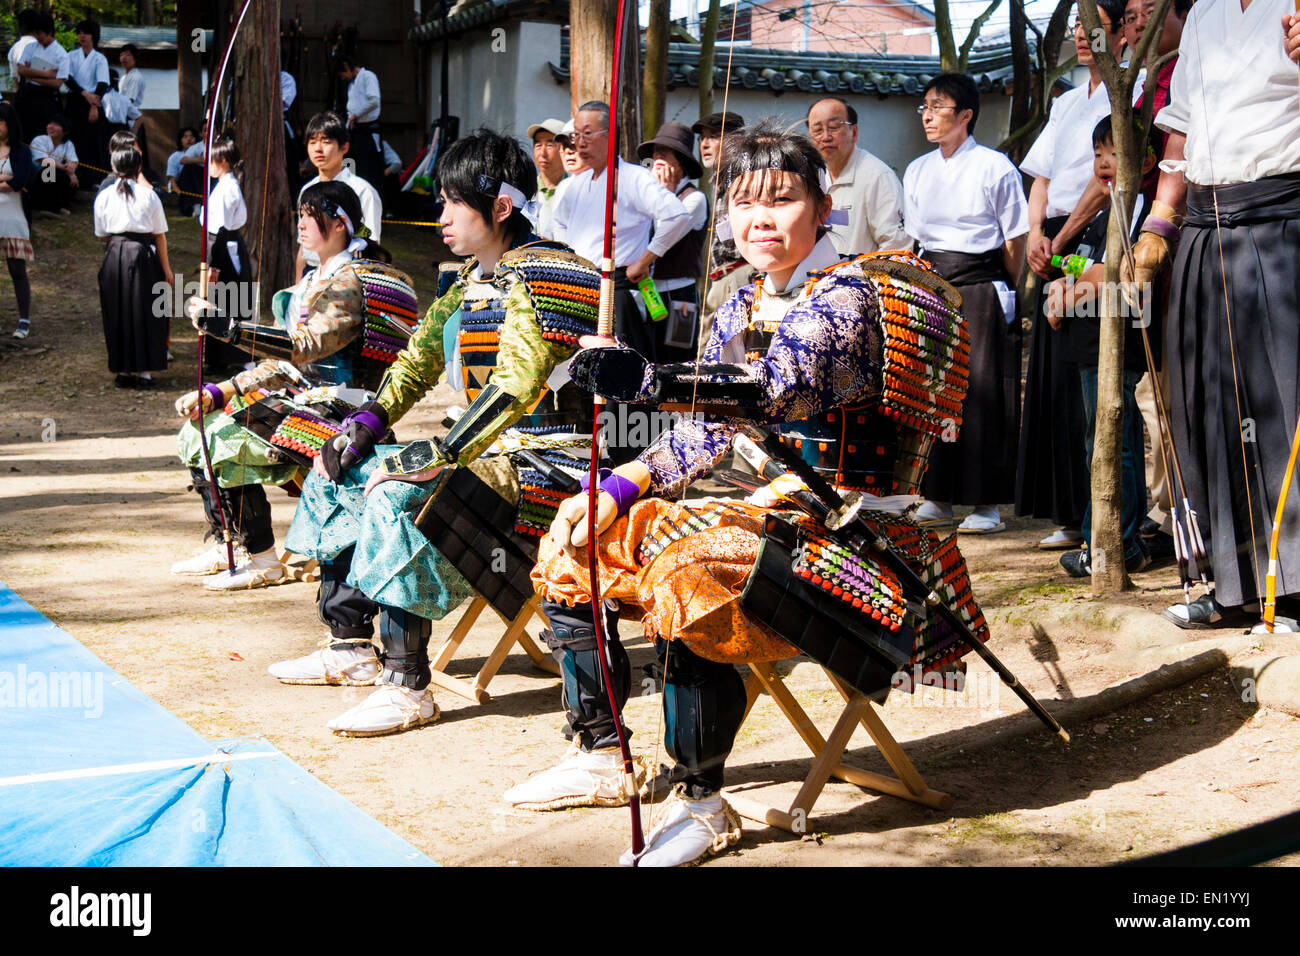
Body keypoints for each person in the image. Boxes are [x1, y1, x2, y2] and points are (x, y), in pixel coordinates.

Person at [514, 122, 983, 867]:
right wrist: (617, 486)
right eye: (743, 203)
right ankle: (606, 753)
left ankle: (703, 803)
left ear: (824, 204)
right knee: (574, 541)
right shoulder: (740, 304)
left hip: (854, 540)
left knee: (684, 569)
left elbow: (770, 392)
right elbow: (706, 435)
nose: (760, 218)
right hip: (758, 517)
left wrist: (643, 379)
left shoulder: (848, 299)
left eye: (783, 199)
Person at [270, 129, 601, 737]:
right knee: (338, 468)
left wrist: (439, 452)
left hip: (552, 462)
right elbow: (416, 360)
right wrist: (366, 425)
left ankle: (407, 683)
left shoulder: (554, 272)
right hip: (486, 454)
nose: (440, 214)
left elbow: (517, 383)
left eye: (453, 201)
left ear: (500, 207)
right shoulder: (473, 277)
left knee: (397, 492)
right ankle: (349, 644)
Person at [1136, 0, 1300, 629]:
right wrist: (1161, 218)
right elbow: (1181, 129)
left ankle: (1290, 586)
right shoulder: (1203, 10)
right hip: (1206, 225)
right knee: (1211, 411)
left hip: (1282, 216)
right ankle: (1230, 586)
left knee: (1282, 409)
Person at [172, 181, 396, 590]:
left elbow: (304, 346)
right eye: (300, 215)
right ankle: (232, 544)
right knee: (199, 426)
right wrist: (220, 391)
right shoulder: (312, 282)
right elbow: (281, 362)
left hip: (344, 414)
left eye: (311, 215)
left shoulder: (350, 282)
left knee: (222, 436)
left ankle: (263, 559)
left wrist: (227, 327)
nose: (302, 224)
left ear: (341, 224)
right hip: (301, 398)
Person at [1017, 0, 1129, 550]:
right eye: (1080, 30)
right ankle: (1064, 510)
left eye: (1097, 29)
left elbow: (1103, 179)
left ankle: (1094, 513)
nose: (1084, 38)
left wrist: (1058, 244)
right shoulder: (1064, 102)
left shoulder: (1123, 90)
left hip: (1093, 231)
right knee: (1054, 379)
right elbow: (1040, 177)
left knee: (1089, 375)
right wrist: (1037, 232)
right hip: (1052, 236)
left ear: (1121, 33)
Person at [906, 74, 1029, 535]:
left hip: (982, 283)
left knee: (982, 392)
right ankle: (936, 494)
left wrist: (1007, 287)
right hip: (933, 282)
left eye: (939, 106)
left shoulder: (995, 167)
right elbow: (914, 239)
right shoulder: (918, 169)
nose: (928, 115)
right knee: (933, 389)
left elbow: (1015, 238)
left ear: (966, 115)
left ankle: (986, 504)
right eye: (925, 106)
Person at [1045, 115, 1157, 577]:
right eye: (1098, 154)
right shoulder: (1107, 208)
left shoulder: (1143, 206)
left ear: (1147, 159)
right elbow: (1080, 265)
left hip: (1119, 339)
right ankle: (1104, 541)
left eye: (1115, 153)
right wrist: (1070, 284)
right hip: (1090, 340)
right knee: (1101, 439)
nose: (1104, 163)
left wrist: (1070, 291)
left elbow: (1119, 273)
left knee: (1118, 441)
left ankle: (1116, 543)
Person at [552, 101, 691, 364]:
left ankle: (626, 409)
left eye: (587, 134)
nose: (579, 142)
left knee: (623, 371)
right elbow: (558, 223)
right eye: (576, 135)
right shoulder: (576, 185)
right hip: (581, 286)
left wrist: (645, 260)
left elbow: (677, 215)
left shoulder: (632, 177)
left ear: (609, 135)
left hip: (618, 287)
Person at [93, 136, 172, 385]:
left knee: (118, 311)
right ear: (139, 168)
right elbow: (159, 234)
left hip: (114, 254)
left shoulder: (104, 196)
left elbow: (101, 235)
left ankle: (122, 370)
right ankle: (145, 372)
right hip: (142, 254)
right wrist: (166, 269)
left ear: (115, 167)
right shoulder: (148, 196)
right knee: (145, 312)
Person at [638, 120, 708, 362]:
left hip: (680, 295)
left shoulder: (694, 199)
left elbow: (663, 235)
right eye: (656, 152)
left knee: (677, 364)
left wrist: (664, 193)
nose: (658, 157)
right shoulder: (647, 193)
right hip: (647, 292)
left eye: (666, 153)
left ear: (681, 162)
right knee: (648, 361)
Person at [806, 96, 909, 255]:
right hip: (817, 277)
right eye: (817, 130)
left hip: (862, 278)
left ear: (854, 132)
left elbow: (896, 246)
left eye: (834, 127)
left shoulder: (878, 177)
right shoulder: (811, 175)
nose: (825, 137)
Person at [296, 111, 382, 277]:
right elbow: (303, 247)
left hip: (348, 276)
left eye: (326, 142)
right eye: (312, 142)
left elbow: (371, 246)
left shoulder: (363, 191)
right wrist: (298, 283)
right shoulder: (307, 191)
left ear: (344, 147)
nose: (318, 149)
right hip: (311, 273)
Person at [693, 110, 753, 335]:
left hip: (738, 274)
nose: (705, 144)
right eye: (702, 138)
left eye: (714, 136)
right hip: (721, 277)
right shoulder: (720, 179)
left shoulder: (744, 177)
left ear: (736, 140)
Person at [202, 136, 254, 377]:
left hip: (225, 247)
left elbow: (222, 227)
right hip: (223, 244)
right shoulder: (226, 183)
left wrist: (215, 264)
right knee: (220, 301)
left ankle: (239, 355)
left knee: (230, 300)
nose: (208, 163)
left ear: (222, 160)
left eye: (211, 159)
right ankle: (219, 357)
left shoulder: (227, 186)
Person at [0, 103, 35, 340]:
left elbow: (21, 180)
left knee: (17, 269)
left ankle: (24, 319)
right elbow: (13, 182)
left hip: (14, 217)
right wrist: (6, 180)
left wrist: (10, 181)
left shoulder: (21, 151)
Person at [65, 20, 109, 189]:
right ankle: (74, 177)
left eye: (86, 33)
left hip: (94, 103)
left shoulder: (99, 58)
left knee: (93, 141)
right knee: (74, 140)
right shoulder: (71, 55)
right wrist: (85, 94)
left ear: (93, 36)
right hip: (76, 100)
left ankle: (94, 180)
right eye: (79, 33)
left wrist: (93, 105)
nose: (82, 36)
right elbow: (68, 79)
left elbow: (102, 84)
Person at [13, 13, 68, 147]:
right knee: (22, 133)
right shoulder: (30, 47)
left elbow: (57, 83)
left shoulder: (61, 54)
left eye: (40, 33)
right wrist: (46, 74)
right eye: (35, 33)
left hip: (46, 98)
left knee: (43, 138)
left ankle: (46, 167)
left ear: (49, 32)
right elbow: (21, 70)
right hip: (27, 94)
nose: (37, 37)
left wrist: (31, 75)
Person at [337, 56, 383, 193]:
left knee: (370, 168)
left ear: (347, 67)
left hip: (368, 129)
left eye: (343, 73)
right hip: (355, 128)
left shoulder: (368, 76)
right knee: (353, 166)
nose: (343, 78)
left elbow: (374, 101)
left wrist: (356, 115)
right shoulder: (353, 84)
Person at [29, 115, 78, 215]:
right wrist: (66, 169)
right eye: (50, 124)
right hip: (36, 177)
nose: (50, 127)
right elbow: (43, 160)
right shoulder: (39, 140)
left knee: (72, 180)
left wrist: (72, 172)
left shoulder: (68, 144)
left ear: (65, 131)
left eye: (56, 125)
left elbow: (73, 161)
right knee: (51, 171)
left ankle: (59, 205)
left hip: (57, 173)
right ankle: (44, 206)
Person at [527, 117, 566, 238]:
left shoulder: (573, 189)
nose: (542, 153)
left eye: (549, 145)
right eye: (538, 145)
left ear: (564, 148)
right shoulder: (527, 190)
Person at [174, 121, 207, 217]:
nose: (209, 133)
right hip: (199, 177)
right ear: (201, 134)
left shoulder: (220, 145)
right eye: (205, 130)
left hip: (215, 175)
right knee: (189, 168)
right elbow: (183, 160)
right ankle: (194, 204)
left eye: (213, 130)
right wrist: (199, 160)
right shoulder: (197, 147)